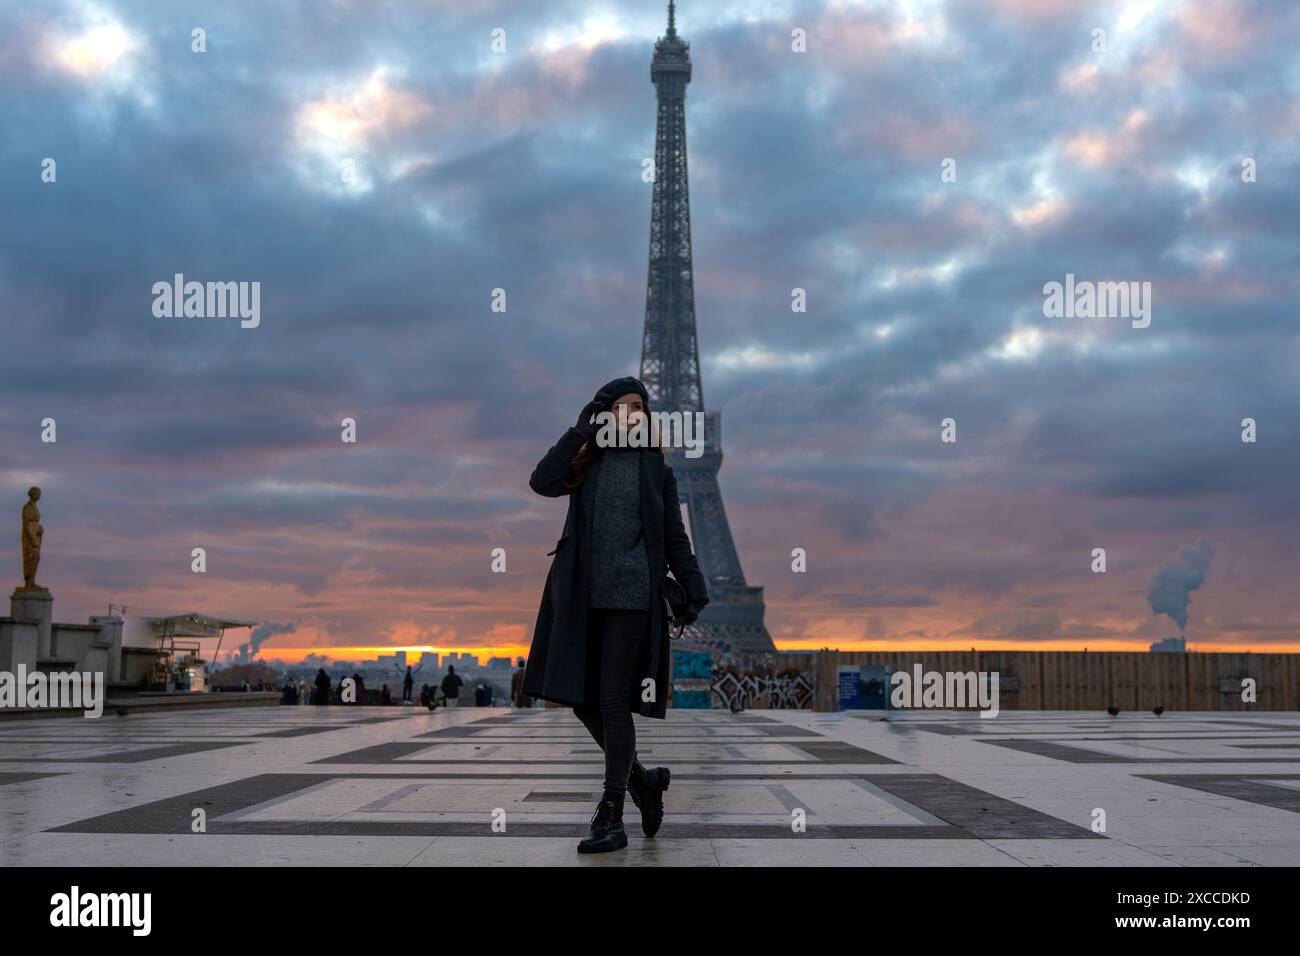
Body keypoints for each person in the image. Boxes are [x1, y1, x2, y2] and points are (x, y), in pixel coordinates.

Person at [523, 376, 708, 853]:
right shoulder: (588, 462)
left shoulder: (656, 471)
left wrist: (692, 586)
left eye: (639, 408)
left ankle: (611, 815)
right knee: (579, 697)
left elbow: (673, 538)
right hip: (583, 595)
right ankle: (643, 780)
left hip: (633, 598)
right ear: (605, 415)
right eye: (623, 407)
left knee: (610, 702)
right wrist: (579, 431)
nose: (632, 414)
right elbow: (541, 481)